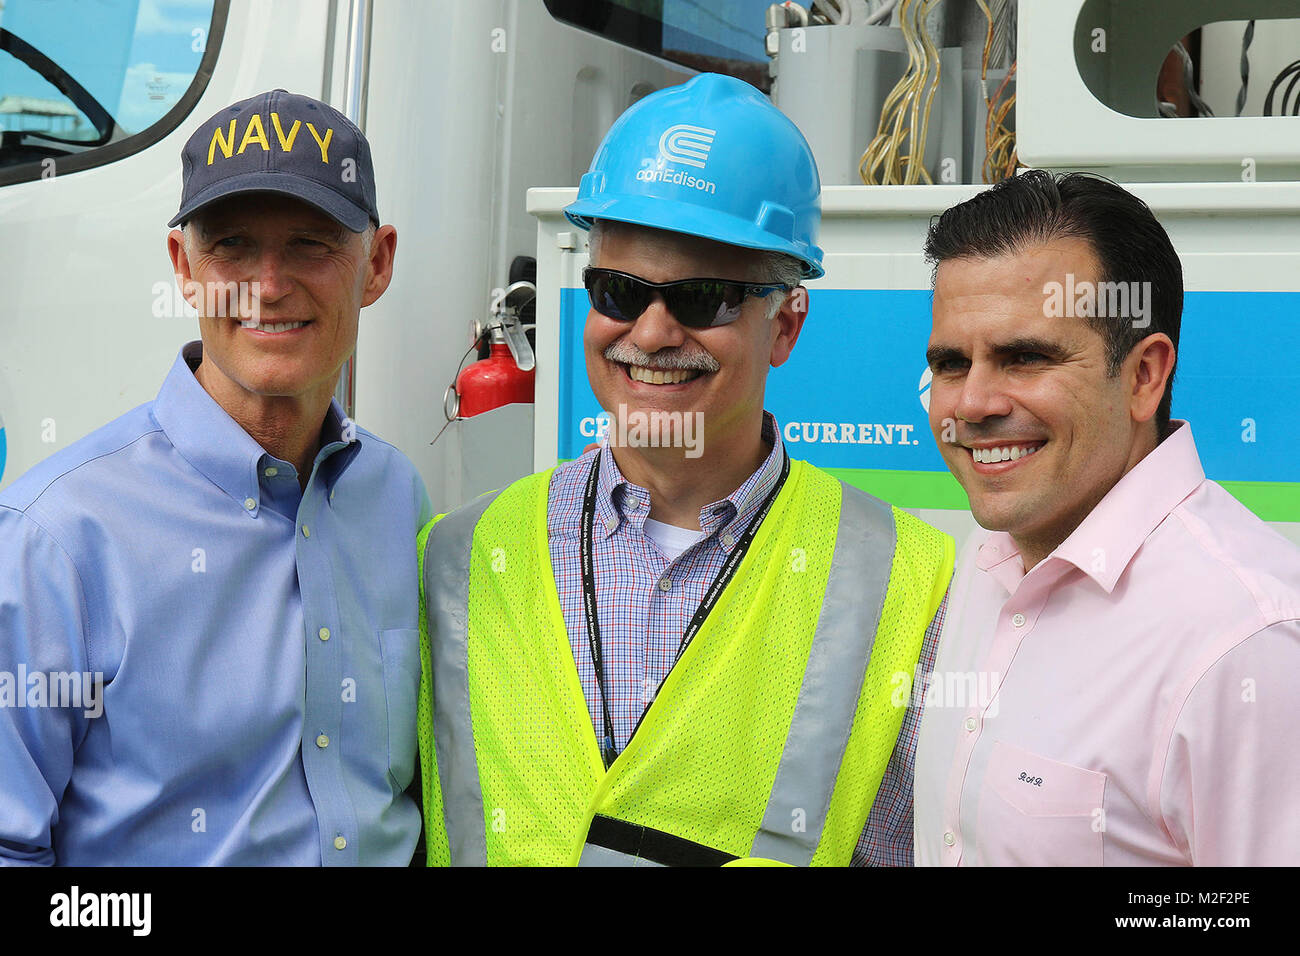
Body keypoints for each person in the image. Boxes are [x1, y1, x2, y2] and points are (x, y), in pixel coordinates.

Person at [416, 73, 954, 867]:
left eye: (705, 297)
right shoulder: (455, 560)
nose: (654, 330)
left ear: (786, 324)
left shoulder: (908, 585)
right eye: (620, 290)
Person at [0, 90, 430, 865]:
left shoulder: (399, 498)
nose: (268, 285)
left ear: (379, 263)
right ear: (184, 269)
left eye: (310, 243)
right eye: (231, 244)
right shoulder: (52, 539)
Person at [914, 170, 1300, 865]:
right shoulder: (989, 553)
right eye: (949, 363)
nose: (970, 405)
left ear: (1144, 376)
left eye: (1024, 357)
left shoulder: (1249, 643)